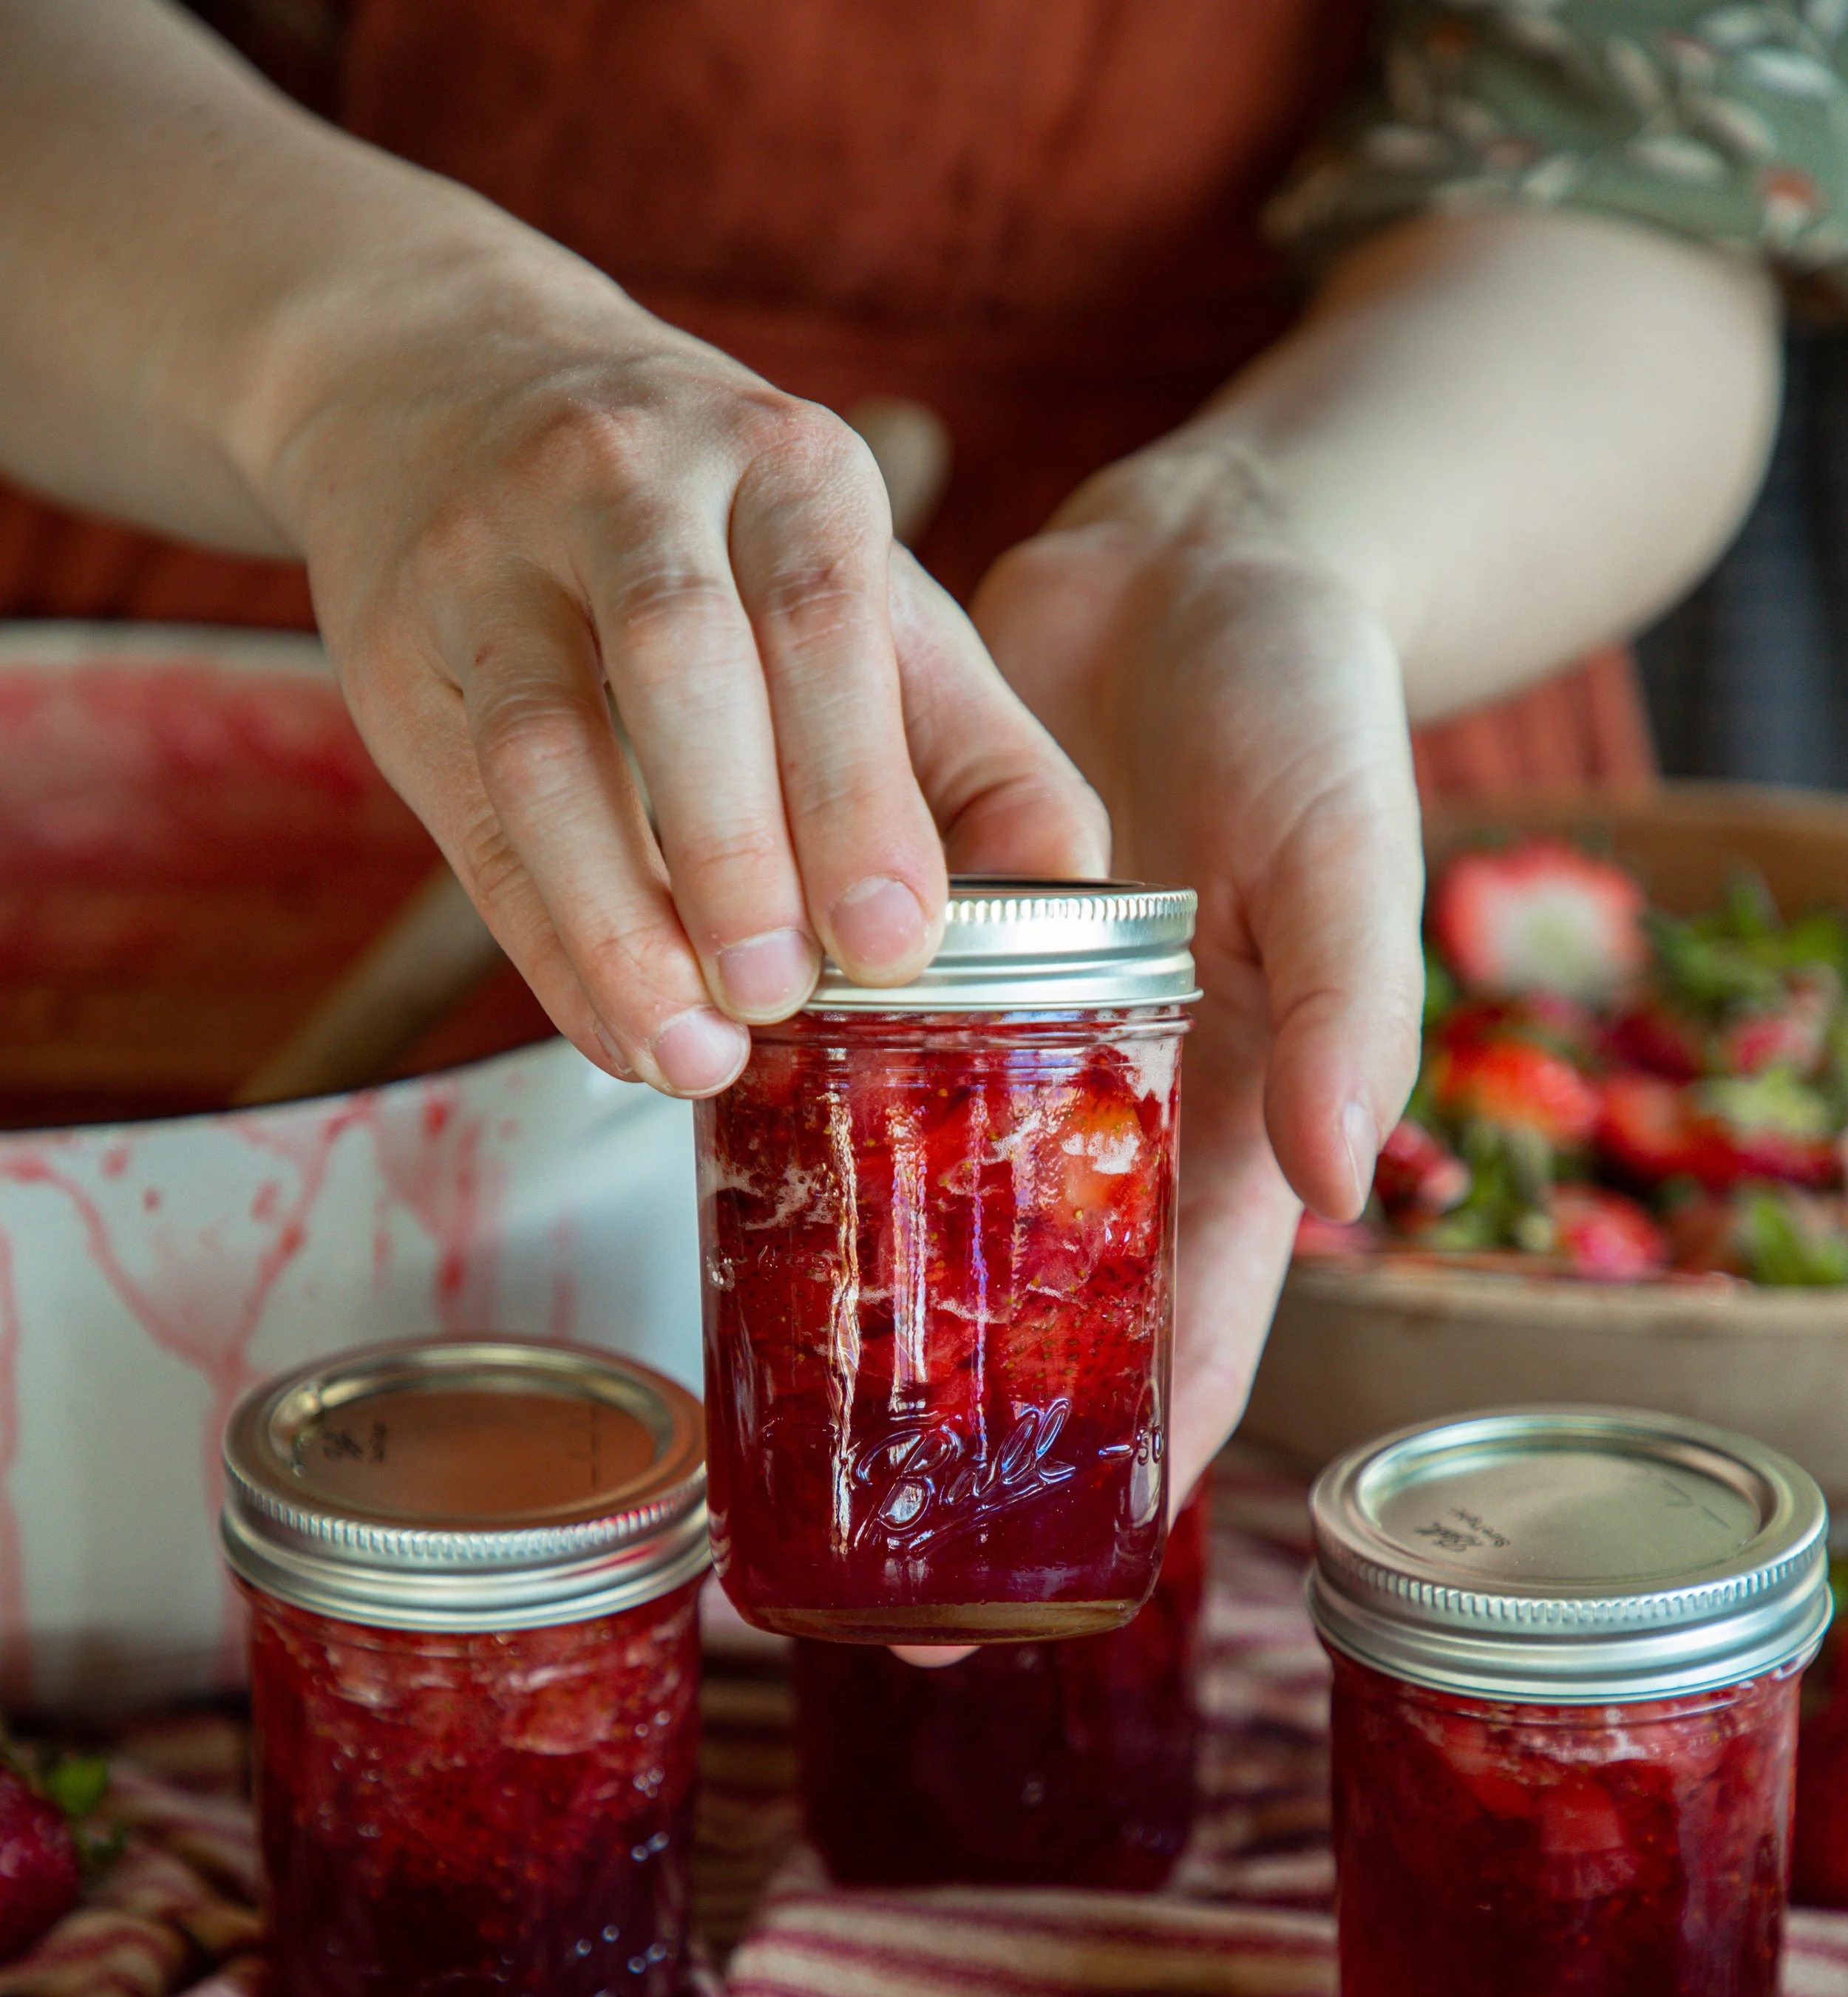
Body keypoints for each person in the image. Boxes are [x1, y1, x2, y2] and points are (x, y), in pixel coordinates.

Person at [0, 0, 1807, 1503]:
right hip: (277, 477)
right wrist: (384, 355)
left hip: (1312, 620)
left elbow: (1644, 197)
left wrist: (1264, 539)